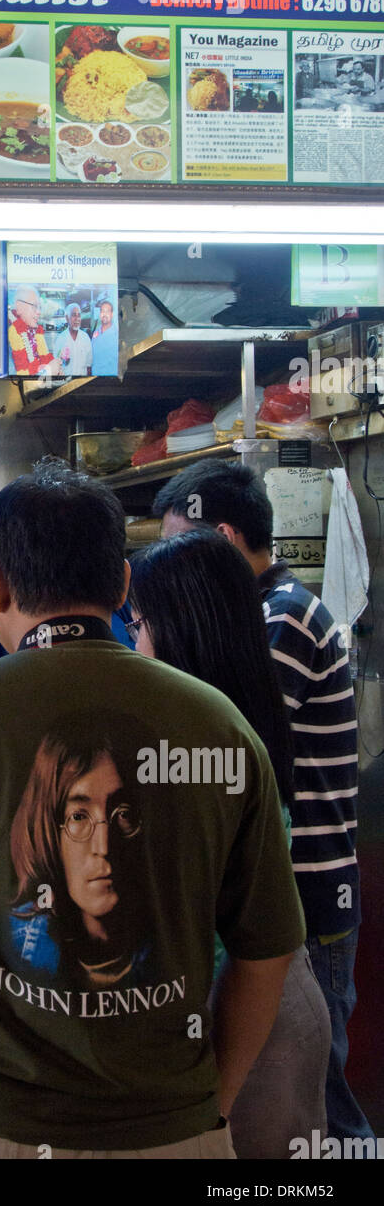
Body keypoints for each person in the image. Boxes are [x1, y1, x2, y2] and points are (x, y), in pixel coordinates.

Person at [0, 464, 303, 1160]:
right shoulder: (220, 725)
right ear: (120, 583)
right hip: (166, 1129)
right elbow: (265, 956)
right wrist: (210, 1108)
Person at [151, 458, 373, 1146]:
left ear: (219, 538)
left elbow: (225, 732)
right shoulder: (263, 610)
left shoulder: (284, 617)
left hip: (305, 891)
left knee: (313, 1093)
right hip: (282, 890)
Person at [128, 528, 332, 1158]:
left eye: (138, 623)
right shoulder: (241, 718)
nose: (133, 643)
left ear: (179, 627)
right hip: (268, 999)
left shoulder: (204, 748)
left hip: (246, 1012)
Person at [9, 729, 152, 989]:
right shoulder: (10, 942)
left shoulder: (173, 936)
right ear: (48, 830)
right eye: (78, 816)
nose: (104, 846)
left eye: (123, 813)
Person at [7, 286, 54, 375]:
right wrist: (49, 370)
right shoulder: (9, 334)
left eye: (40, 307)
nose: (39, 312)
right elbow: (20, 378)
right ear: (19, 307)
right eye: (34, 306)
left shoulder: (33, 331)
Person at [57, 301, 93, 376]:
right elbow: (56, 366)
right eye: (74, 315)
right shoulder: (60, 339)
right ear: (67, 318)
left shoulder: (86, 338)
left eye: (79, 315)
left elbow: (89, 367)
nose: (77, 319)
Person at [89, 296, 118, 376]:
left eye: (107, 311)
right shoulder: (96, 332)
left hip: (111, 379)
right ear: (99, 314)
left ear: (112, 314)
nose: (104, 314)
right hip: (95, 377)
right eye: (102, 311)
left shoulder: (117, 334)